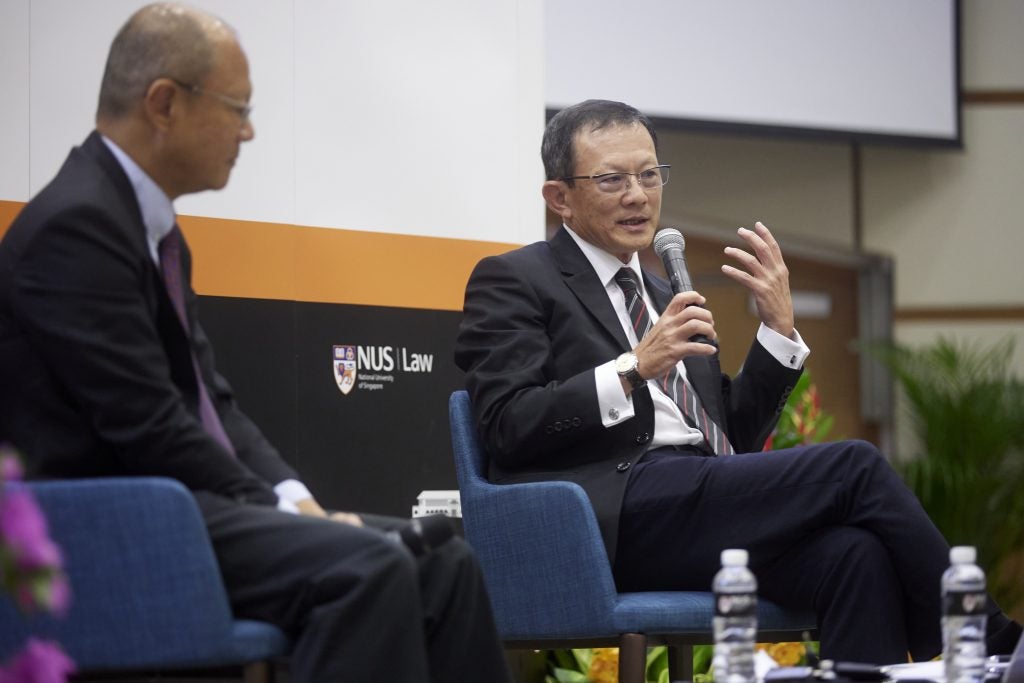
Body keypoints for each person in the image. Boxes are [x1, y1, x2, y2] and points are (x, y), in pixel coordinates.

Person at [0, 4, 511, 682]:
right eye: (236, 108)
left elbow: (213, 404)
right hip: (110, 521)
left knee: (446, 562)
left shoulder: (151, 230)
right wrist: (283, 512)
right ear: (164, 103)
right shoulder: (77, 226)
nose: (248, 130)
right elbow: (149, 426)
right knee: (369, 565)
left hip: (182, 504)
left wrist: (296, 498)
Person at [454, 99, 1022, 665]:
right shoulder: (516, 279)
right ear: (559, 197)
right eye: (612, 180)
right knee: (853, 464)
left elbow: (732, 441)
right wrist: (633, 368)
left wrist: (777, 332)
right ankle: (988, 646)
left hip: (698, 502)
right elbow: (508, 425)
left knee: (856, 556)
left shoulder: (664, 293)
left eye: (649, 175)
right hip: (611, 516)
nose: (638, 195)